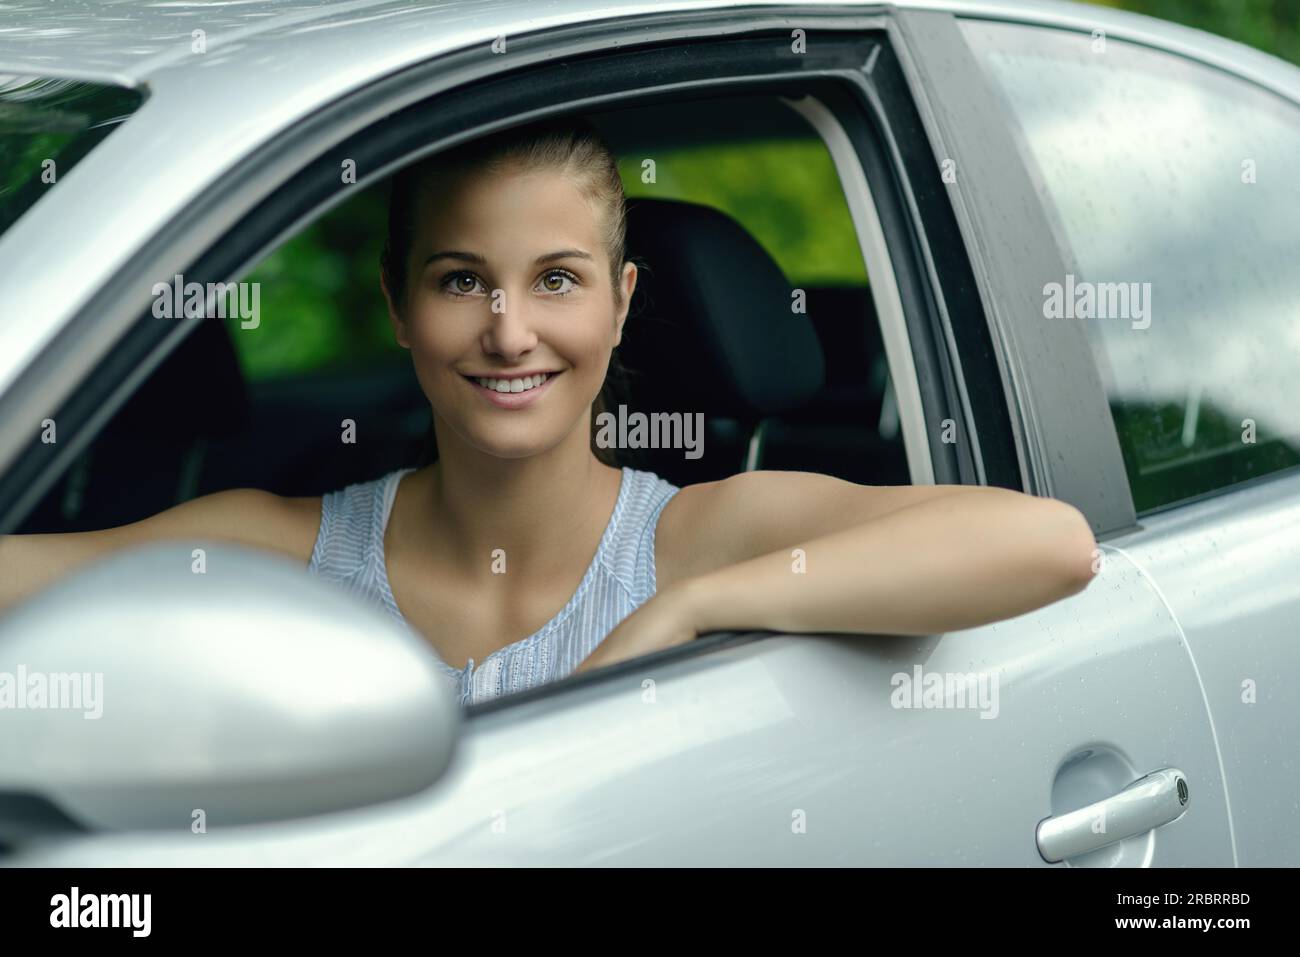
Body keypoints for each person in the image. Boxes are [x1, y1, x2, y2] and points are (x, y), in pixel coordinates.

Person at [0, 118, 1098, 706]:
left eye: (557, 280)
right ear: (397, 305)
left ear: (621, 306)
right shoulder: (276, 545)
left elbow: (1048, 542)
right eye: (460, 280)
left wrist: (690, 609)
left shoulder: (694, 538)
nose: (509, 331)